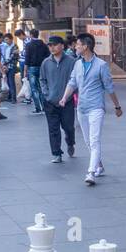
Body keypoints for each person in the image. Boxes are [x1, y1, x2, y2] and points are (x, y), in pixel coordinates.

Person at [60, 32, 122, 185]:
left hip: (96, 108)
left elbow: (109, 87)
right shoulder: (78, 64)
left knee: (94, 140)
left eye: (78, 45)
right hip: (81, 107)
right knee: (88, 141)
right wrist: (64, 97)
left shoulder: (101, 65)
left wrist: (117, 106)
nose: (76, 47)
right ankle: (99, 165)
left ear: (86, 47)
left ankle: (91, 172)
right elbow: (72, 82)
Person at [39, 35, 77, 163]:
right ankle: (56, 153)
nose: (52, 47)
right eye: (50, 45)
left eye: (54, 45)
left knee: (68, 127)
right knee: (53, 129)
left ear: (62, 45)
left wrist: (71, 96)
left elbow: (76, 80)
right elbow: (42, 80)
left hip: (67, 102)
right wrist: (46, 94)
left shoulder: (71, 61)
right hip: (50, 102)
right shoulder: (46, 62)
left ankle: (70, 142)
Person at [23, 29, 49, 114]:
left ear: (31, 35)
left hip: (32, 68)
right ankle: (44, 107)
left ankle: (38, 107)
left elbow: (27, 58)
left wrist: (25, 71)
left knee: (34, 88)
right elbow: (47, 56)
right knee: (42, 87)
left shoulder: (29, 45)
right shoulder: (44, 45)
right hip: (42, 67)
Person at [2, 32, 18, 103]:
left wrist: (4, 63)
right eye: (5, 39)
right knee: (7, 82)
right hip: (6, 67)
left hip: (11, 66)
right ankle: (9, 97)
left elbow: (12, 57)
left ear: (11, 39)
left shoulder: (15, 46)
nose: (6, 41)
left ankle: (13, 98)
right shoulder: (5, 46)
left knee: (11, 82)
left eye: (7, 39)